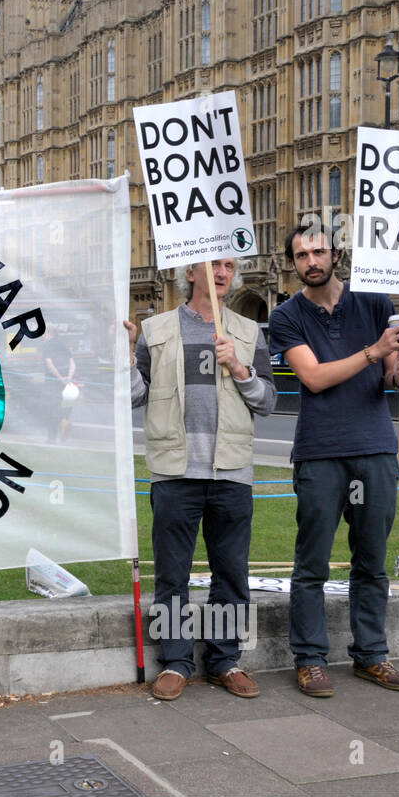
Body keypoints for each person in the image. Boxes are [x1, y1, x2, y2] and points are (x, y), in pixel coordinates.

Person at [268, 225, 399, 698]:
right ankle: (310, 659)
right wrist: (375, 352)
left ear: (336, 253)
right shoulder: (285, 316)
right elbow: (313, 377)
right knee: (311, 563)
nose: (310, 260)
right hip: (320, 451)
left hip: (375, 446)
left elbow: (391, 372)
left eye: (317, 251)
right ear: (293, 264)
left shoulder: (375, 302)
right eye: (300, 255)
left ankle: (371, 655)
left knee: (371, 560)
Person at [125, 257, 276, 700]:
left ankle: (225, 661)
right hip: (174, 470)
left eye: (229, 265)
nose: (223, 273)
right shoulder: (155, 330)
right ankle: (175, 662)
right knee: (172, 574)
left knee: (231, 573)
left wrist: (239, 368)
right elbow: (136, 396)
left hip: (231, 471)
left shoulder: (249, 332)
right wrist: (123, 356)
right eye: (213, 265)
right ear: (190, 272)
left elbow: (267, 400)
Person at [41, 326, 76, 442]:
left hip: (52, 383)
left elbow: (49, 363)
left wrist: (60, 378)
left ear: (48, 334)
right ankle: (64, 421)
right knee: (64, 405)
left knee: (50, 409)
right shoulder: (63, 344)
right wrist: (69, 378)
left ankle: (52, 437)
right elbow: (72, 363)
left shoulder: (47, 346)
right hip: (66, 383)